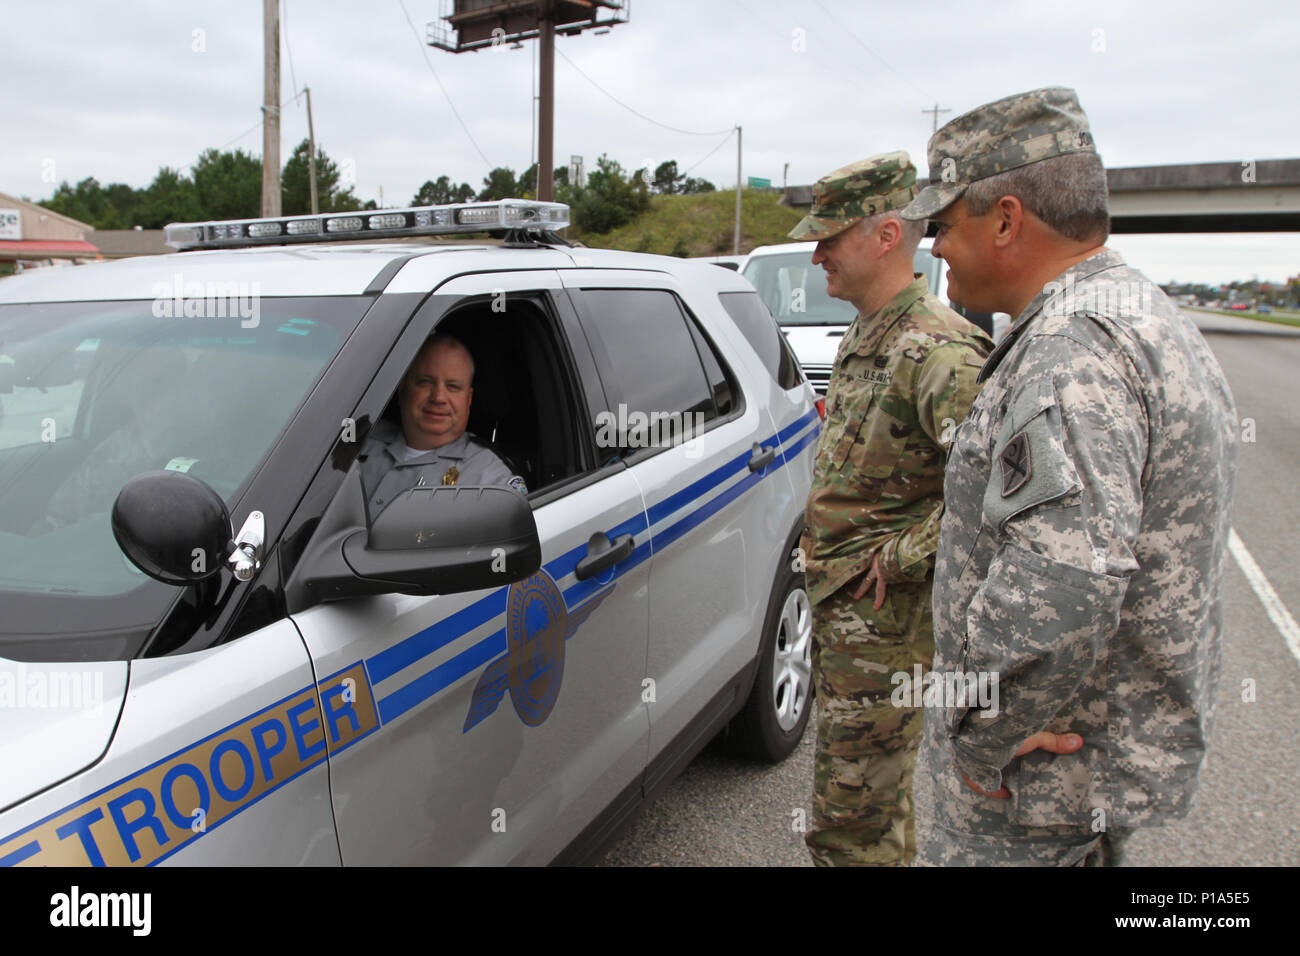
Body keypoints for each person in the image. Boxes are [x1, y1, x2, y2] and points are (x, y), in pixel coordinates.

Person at [899, 87, 1239, 866]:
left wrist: (980, 728)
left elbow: (1066, 578)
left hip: (1025, 794)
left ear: (1008, 220)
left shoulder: (1068, 350)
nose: (934, 247)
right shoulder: (1149, 317)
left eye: (943, 225)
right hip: (1079, 771)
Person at [792, 151, 992, 866]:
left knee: (854, 827)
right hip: (850, 621)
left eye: (830, 237)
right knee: (865, 811)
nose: (816, 253)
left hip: (885, 627)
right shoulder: (869, 331)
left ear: (884, 236)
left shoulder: (939, 352)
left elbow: (1000, 499)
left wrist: (898, 556)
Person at [359, 333, 525, 517]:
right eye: (425, 382)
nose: (438, 397)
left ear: (468, 399)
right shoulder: (355, 443)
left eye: (453, 387)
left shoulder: (490, 479)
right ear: (402, 389)